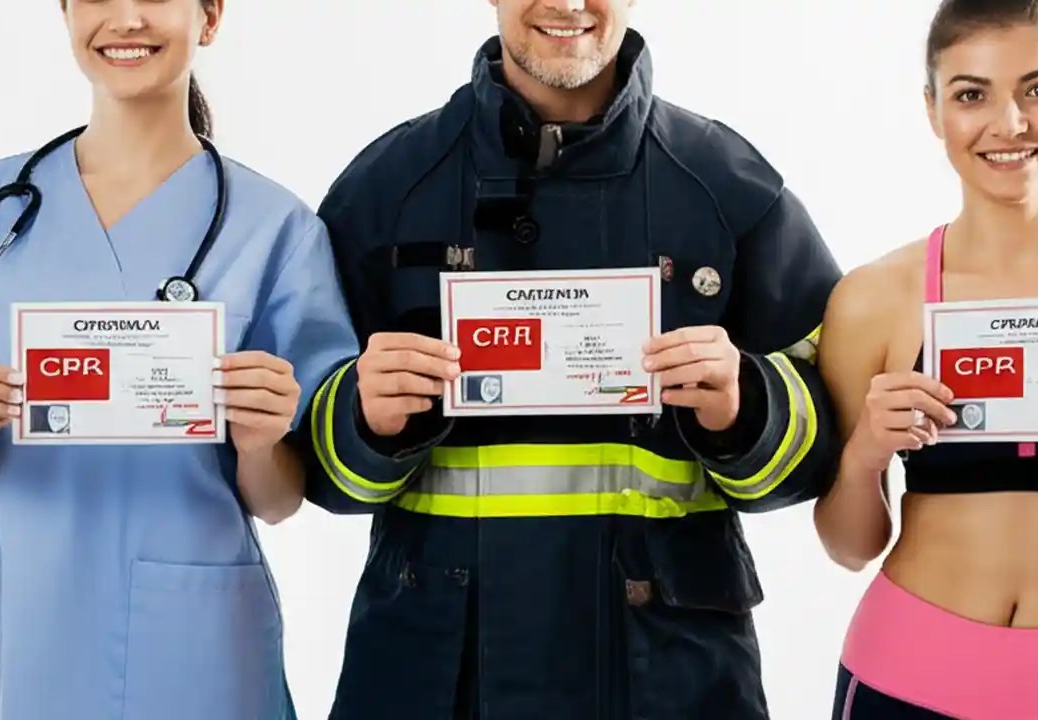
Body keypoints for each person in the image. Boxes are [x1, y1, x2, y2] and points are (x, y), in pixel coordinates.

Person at [293, 1, 843, 718]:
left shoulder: (729, 187)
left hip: (668, 679)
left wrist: (749, 409)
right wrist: (362, 420)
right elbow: (295, 457)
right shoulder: (388, 189)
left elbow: (842, 430)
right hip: (432, 676)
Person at [0, 2, 357, 719]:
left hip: (198, 643)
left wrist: (260, 442)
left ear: (210, 17)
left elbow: (278, 500)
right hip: (22, 632)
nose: (126, 17)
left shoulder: (275, 229)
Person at [814, 1, 1038, 718]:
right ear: (933, 110)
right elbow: (847, 545)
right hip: (903, 683)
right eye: (971, 94)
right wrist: (865, 452)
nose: (1008, 124)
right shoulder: (873, 299)